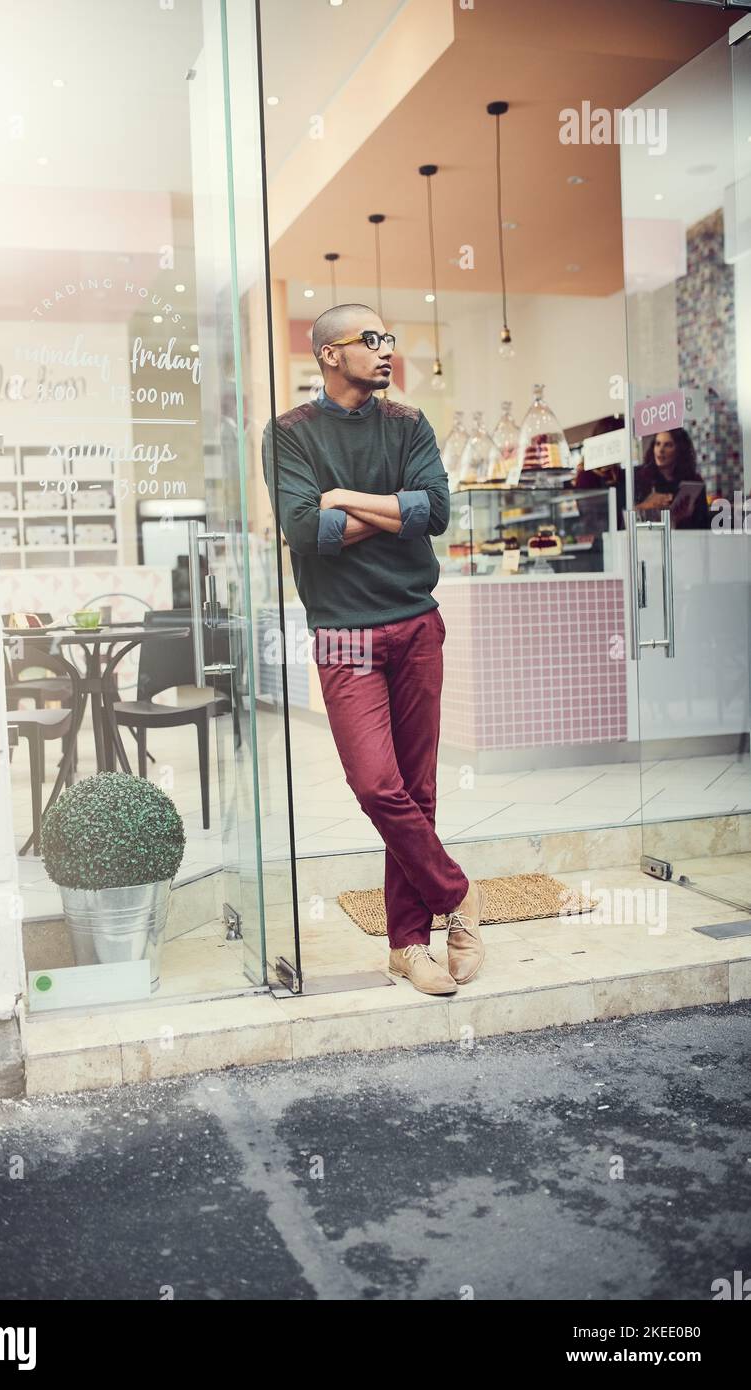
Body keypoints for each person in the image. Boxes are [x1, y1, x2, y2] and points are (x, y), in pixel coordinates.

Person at [261, 303, 483, 997]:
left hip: (417, 621)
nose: (387, 350)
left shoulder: (408, 423)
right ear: (330, 354)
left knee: (418, 790)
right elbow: (304, 533)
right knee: (375, 784)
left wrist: (348, 500)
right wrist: (392, 509)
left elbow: (437, 513)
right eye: (372, 340)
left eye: (389, 339)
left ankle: (409, 946)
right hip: (346, 630)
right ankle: (458, 895)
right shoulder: (289, 434)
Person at [634, 428, 710, 529]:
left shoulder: (693, 480)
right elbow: (627, 521)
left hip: (686, 540)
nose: (661, 450)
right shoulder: (640, 477)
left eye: (668, 445)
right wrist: (646, 506)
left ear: (679, 450)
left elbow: (703, 525)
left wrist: (683, 516)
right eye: (657, 444)